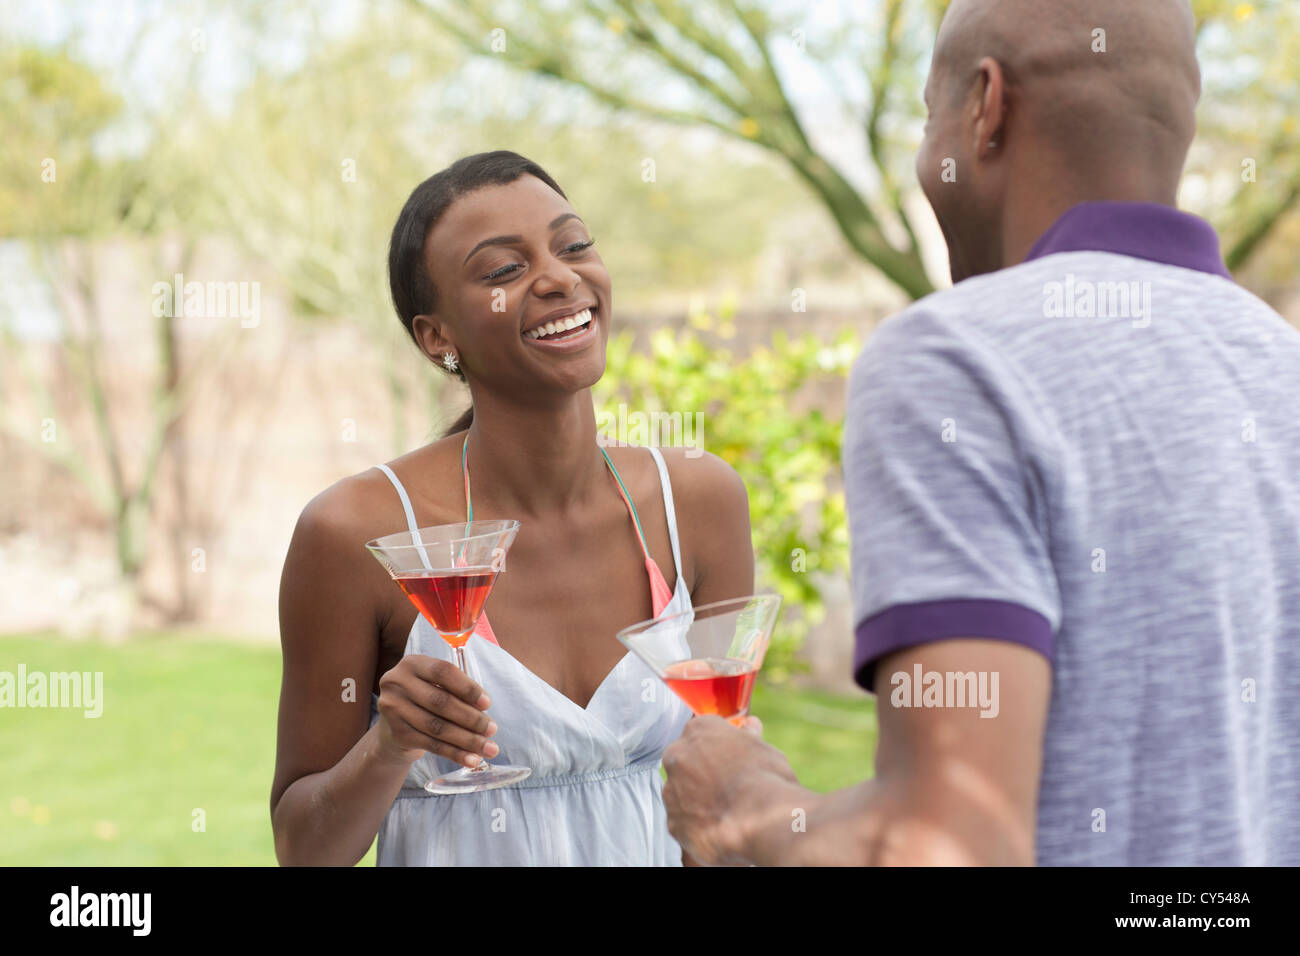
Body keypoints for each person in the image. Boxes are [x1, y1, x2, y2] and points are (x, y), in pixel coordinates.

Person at [661, 0, 1300, 866]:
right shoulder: (1280, 364)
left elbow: (947, 845)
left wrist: (738, 807)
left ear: (985, 107)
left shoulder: (955, 358)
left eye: (931, 117)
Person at [270, 150, 753, 865]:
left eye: (574, 245)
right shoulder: (354, 531)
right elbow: (303, 849)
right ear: (438, 338)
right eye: (503, 270)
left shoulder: (699, 502)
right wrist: (390, 745)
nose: (561, 278)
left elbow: (720, 794)